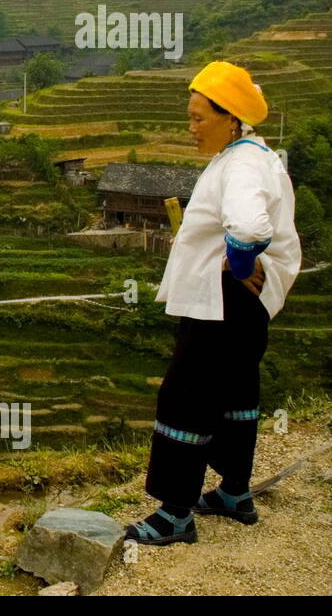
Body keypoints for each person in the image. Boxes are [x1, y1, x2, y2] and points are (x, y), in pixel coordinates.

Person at [126, 61, 301, 545]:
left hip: (222, 302)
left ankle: (175, 513)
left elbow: (249, 227)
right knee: (235, 394)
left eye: (200, 117)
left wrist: (239, 264)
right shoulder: (253, 156)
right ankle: (234, 492)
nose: (191, 127)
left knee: (186, 395)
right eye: (190, 116)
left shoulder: (242, 165)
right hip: (245, 307)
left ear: (231, 118)